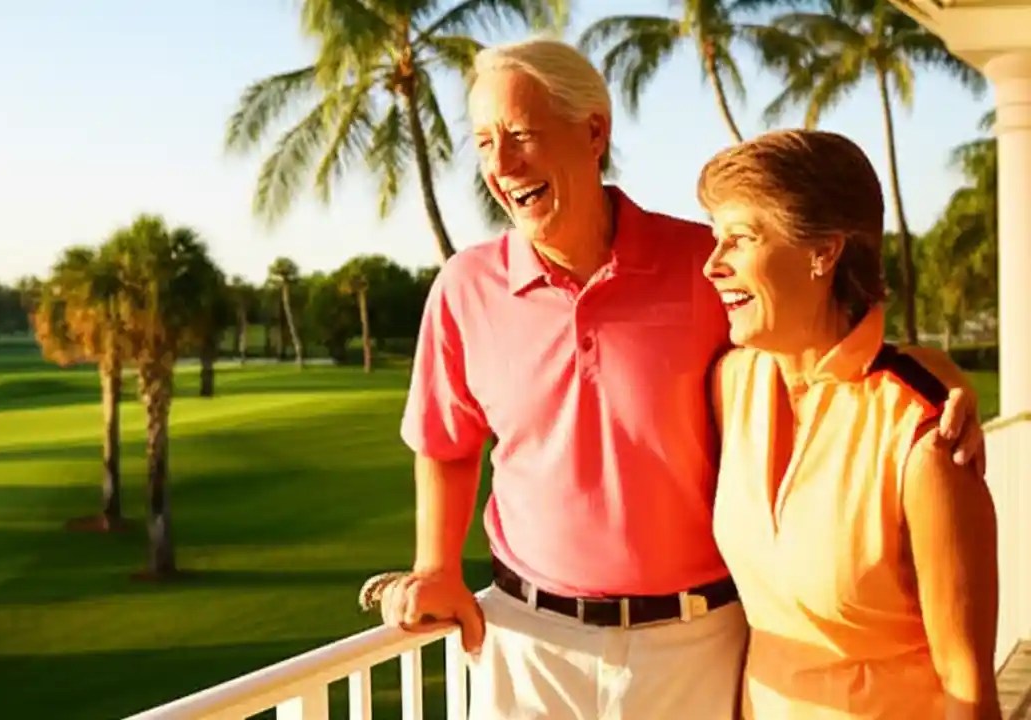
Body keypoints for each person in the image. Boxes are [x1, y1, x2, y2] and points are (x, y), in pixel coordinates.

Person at [374, 37, 985, 719]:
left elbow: (819, 342)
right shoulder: (465, 288)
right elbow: (444, 440)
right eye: (484, 142)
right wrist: (437, 565)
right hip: (529, 641)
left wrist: (938, 382)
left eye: (520, 134)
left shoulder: (701, 264)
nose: (501, 163)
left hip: (697, 642)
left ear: (594, 131)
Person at [701, 129, 999, 719]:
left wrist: (945, 386)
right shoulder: (731, 385)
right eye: (715, 238)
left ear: (824, 250)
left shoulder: (922, 432)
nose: (713, 265)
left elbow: (966, 679)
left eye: (740, 239)